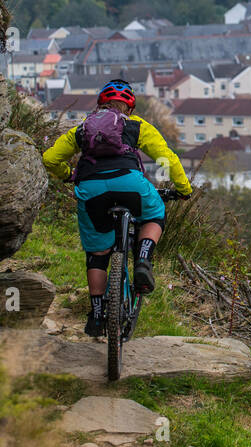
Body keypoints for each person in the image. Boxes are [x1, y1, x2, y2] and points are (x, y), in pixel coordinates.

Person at [41, 80, 192, 338]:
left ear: (101, 105)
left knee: (98, 254)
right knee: (154, 214)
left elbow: (49, 158)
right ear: (129, 108)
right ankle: (143, 259)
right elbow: (166, 157)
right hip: (129, 182)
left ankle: (98, 315)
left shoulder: (83, 128)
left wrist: (68, 175)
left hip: (91, 188)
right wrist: (183, 188)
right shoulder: (138, 126)